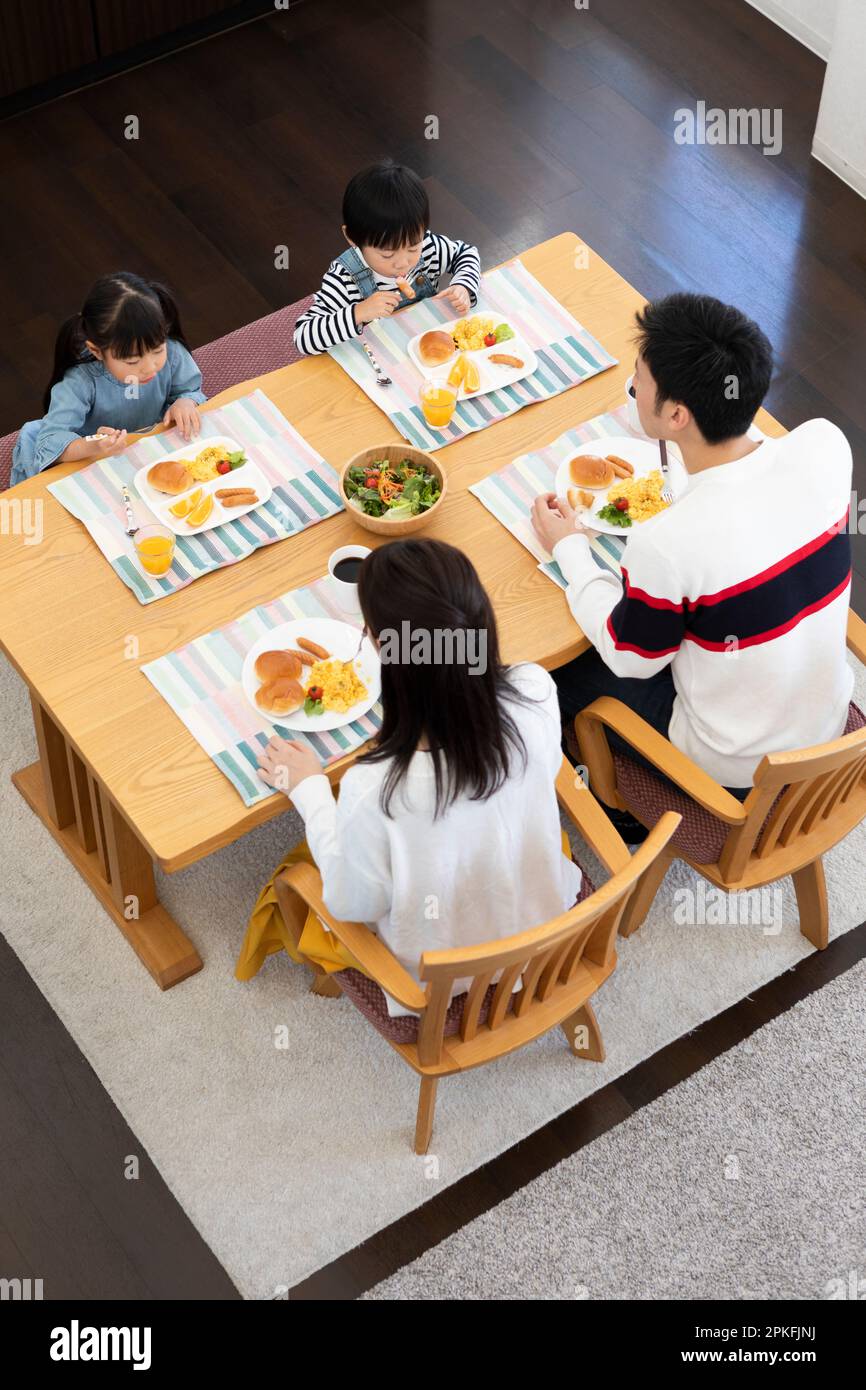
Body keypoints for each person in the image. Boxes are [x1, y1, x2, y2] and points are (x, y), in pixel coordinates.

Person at [237, 539, 584, 1017]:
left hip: (434, 982)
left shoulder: (375, 788)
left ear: (386, 650)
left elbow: (350, 901)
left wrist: (311, 791)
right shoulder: (536, 690)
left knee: (297, 875)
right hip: (547, 924)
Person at [532, 291, 853, 803]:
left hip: (734, 770)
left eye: (638, 379)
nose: (632, 387)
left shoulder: (666, 544)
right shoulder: (825, 444)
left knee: (549, 669)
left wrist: (570, 548)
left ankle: (622, 811)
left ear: (678, 415)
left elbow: (629, 658)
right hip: (827, 721)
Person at [11, 271, 206, 487]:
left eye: (158, 350)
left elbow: (189, 389)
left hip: (146, 446)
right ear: (96, 351)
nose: (150, 367)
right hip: (88, 458)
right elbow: (51, 440)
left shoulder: (173, 351)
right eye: (132, 361)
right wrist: (93, 446)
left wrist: (185, 402)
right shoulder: (81, 381)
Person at [293, 159, 481, 355]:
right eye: (387, 254)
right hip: (380, 362)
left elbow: (466, 254)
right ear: (352, 237)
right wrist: (359, 312)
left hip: (432, 349)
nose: (403, 262)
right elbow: (303, 338)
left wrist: (464, 286)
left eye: (412, 247)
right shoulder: (345, 278)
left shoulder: (428, 247)